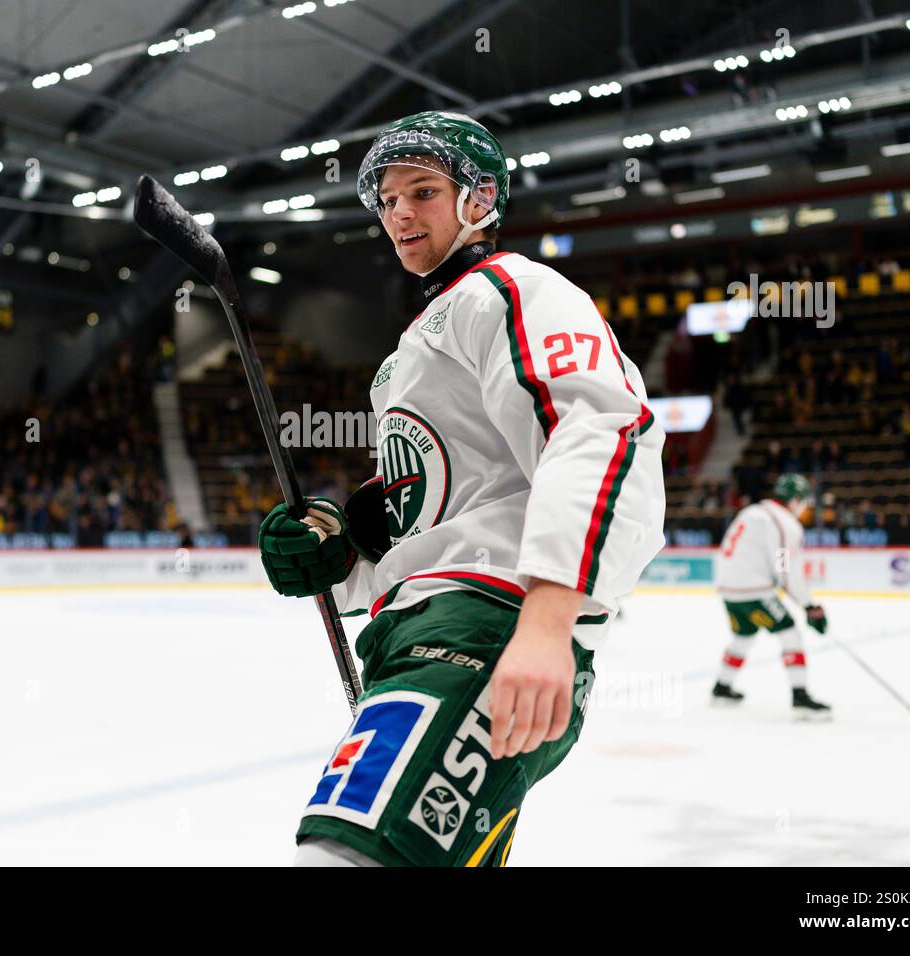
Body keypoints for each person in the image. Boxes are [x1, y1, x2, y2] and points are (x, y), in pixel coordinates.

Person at [257, 111, 666, 866]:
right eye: (386, 200)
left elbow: (601, 427)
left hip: (486, 630)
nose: (398, 213)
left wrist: (548, 619)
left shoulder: (510, 288)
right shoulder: (407, 353)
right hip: (418, 635)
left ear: (480, 200)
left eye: (422, 190)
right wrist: (337, 556)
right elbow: (430, 521)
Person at [711, 473, 830, 718]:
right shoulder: (784, 523)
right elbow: (785, 569)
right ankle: (800, 697)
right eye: (804, 500)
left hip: (728, 588)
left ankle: (722, 687)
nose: (805, 506)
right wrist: (810, 606)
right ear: (795, 499)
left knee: (744, 635)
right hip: (752, 590)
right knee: (790, 634)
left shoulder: (754, 511)